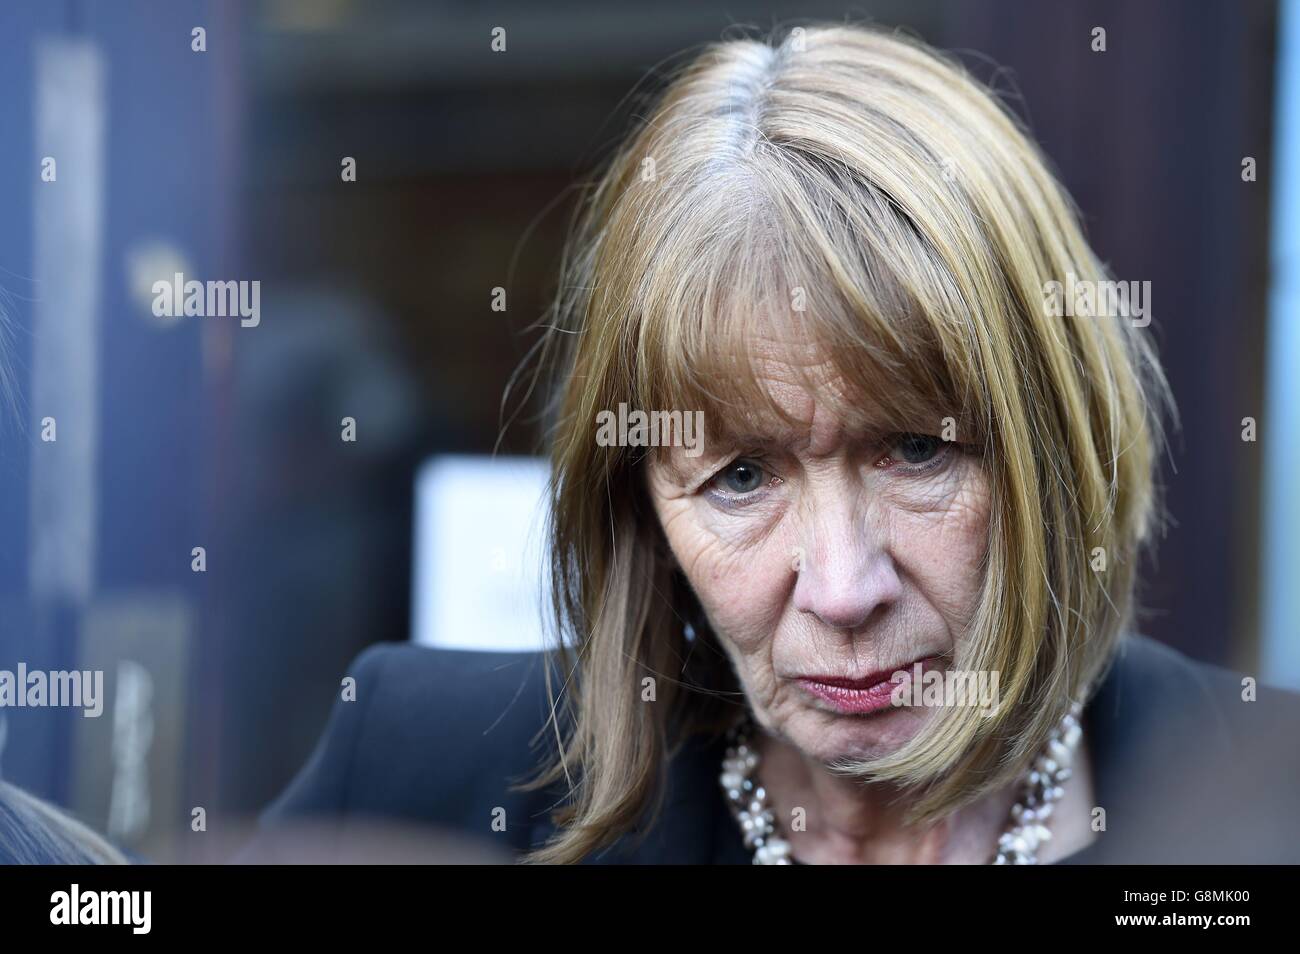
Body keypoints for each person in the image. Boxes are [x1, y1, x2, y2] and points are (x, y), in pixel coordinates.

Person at [256, 23, 1300, 864]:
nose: (844, 591)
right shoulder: (423, 770)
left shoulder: (1264, 804)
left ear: (1053, 444)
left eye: (916, 454)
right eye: (741, 477)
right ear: (642, 513)